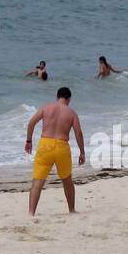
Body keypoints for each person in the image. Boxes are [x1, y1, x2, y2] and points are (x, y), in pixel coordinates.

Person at [25, 87, 85, 216]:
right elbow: (78, 133)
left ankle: (31, 213)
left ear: (57, 97)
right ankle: (72, 210)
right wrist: (82, 152)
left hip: (45, 145)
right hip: (62, 147)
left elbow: (31, 123)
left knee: (37, 182)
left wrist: (29, 141)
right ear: (69, 99)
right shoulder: (71, 113)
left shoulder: (46, 107)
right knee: (67, 181)